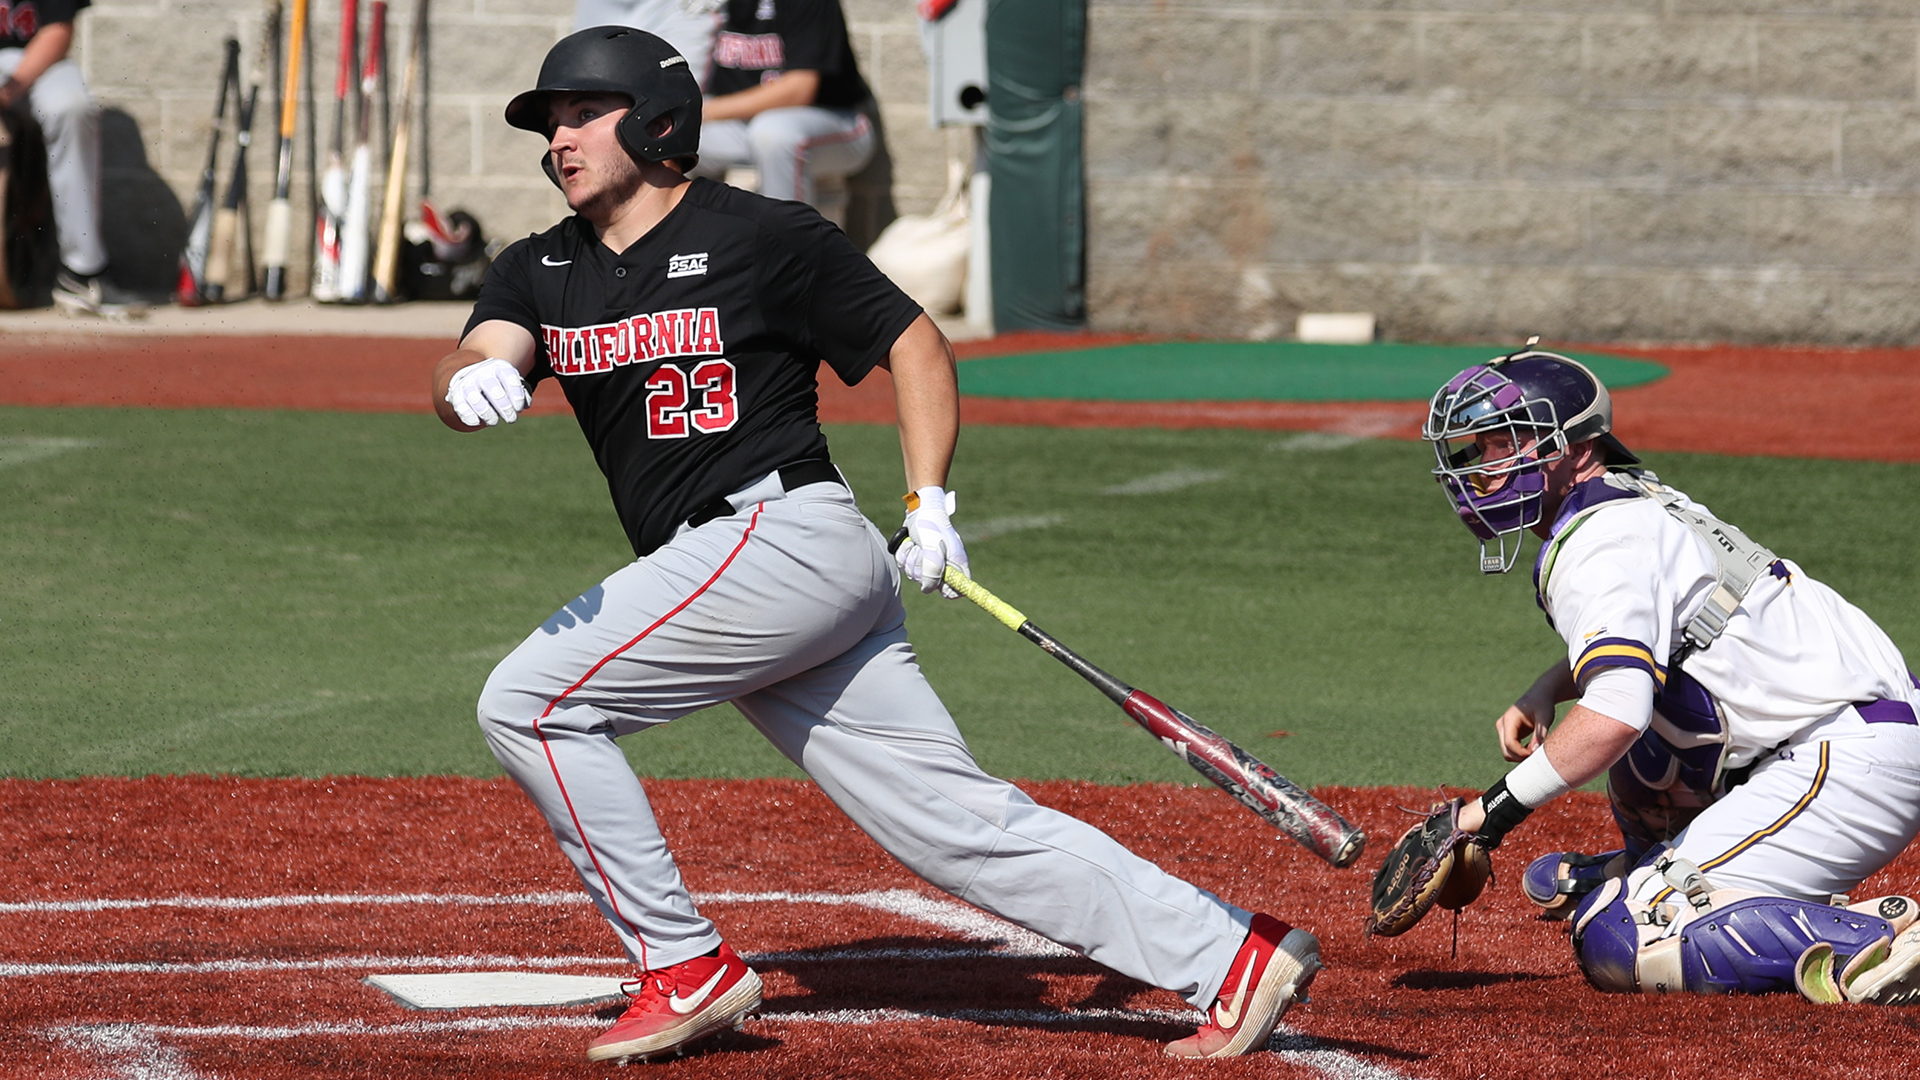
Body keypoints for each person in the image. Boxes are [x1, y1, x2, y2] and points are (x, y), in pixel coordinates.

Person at [432, 27, 1319, 1064]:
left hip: (781, 539)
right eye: (549, 121)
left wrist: (930, 502)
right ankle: (1231, 955)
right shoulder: (539, 268)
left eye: (581, 112)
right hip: (741, 574)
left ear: (657, 122)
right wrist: (465, 386)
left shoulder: (763, 235)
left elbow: (914, 345)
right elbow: (479, 355)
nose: (558, 137)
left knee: (530, 702)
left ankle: (682, 964)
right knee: (952, 825)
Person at [1419, 343, 1920, 1003]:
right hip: (1834, 739)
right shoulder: (1628, 501)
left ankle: (1873, 939)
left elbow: (1615, 713)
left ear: (1569, 447)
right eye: (1473, 450)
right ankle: (1664, 865)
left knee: (1625, 935)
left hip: (1844, 761)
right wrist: (1547, 687)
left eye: (1498, 444)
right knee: (1655, 738)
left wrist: (1486, 817)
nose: (1478, 468)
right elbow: (1660, 642)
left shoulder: (1601, 541)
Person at [0, 0, 143, 315]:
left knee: (72, 108)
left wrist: (8, 93)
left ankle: (81, 271)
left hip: (35, 60)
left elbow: (57, 30)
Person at [688, 0, 873, 208]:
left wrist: (704, 110)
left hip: (836, 125)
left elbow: (799, 90)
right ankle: (665, 238)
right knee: (668, 136)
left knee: (774, 134)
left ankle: (788, 239)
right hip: (741, 129)